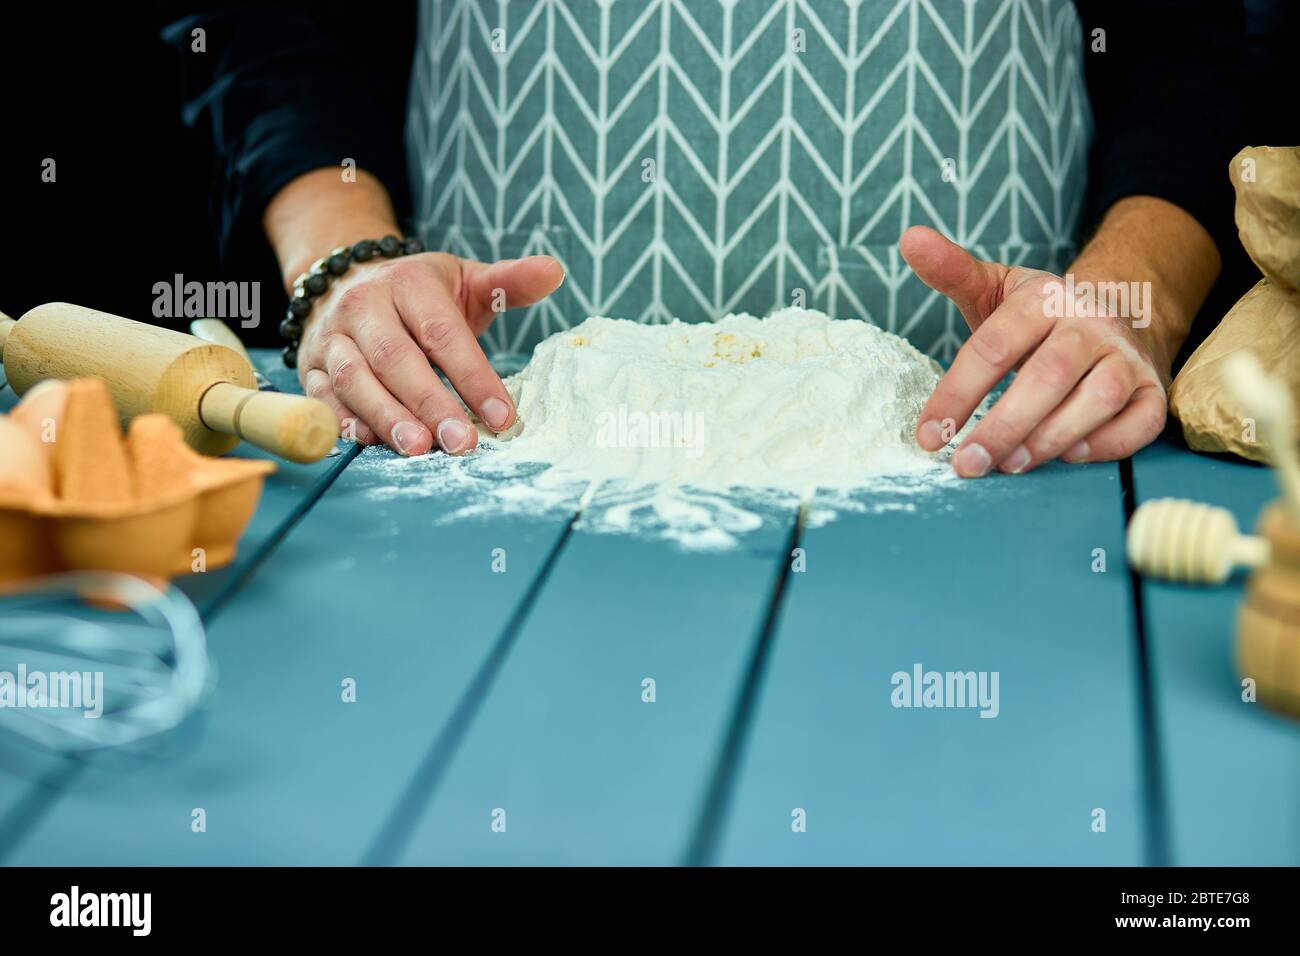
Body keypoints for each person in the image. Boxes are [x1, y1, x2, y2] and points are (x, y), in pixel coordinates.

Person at [165, 0, 1248, 476]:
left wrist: (1126, 297)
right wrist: (344, 255)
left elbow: (1199, 38)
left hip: (1003, 442)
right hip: (480, 425)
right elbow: (275, 21)